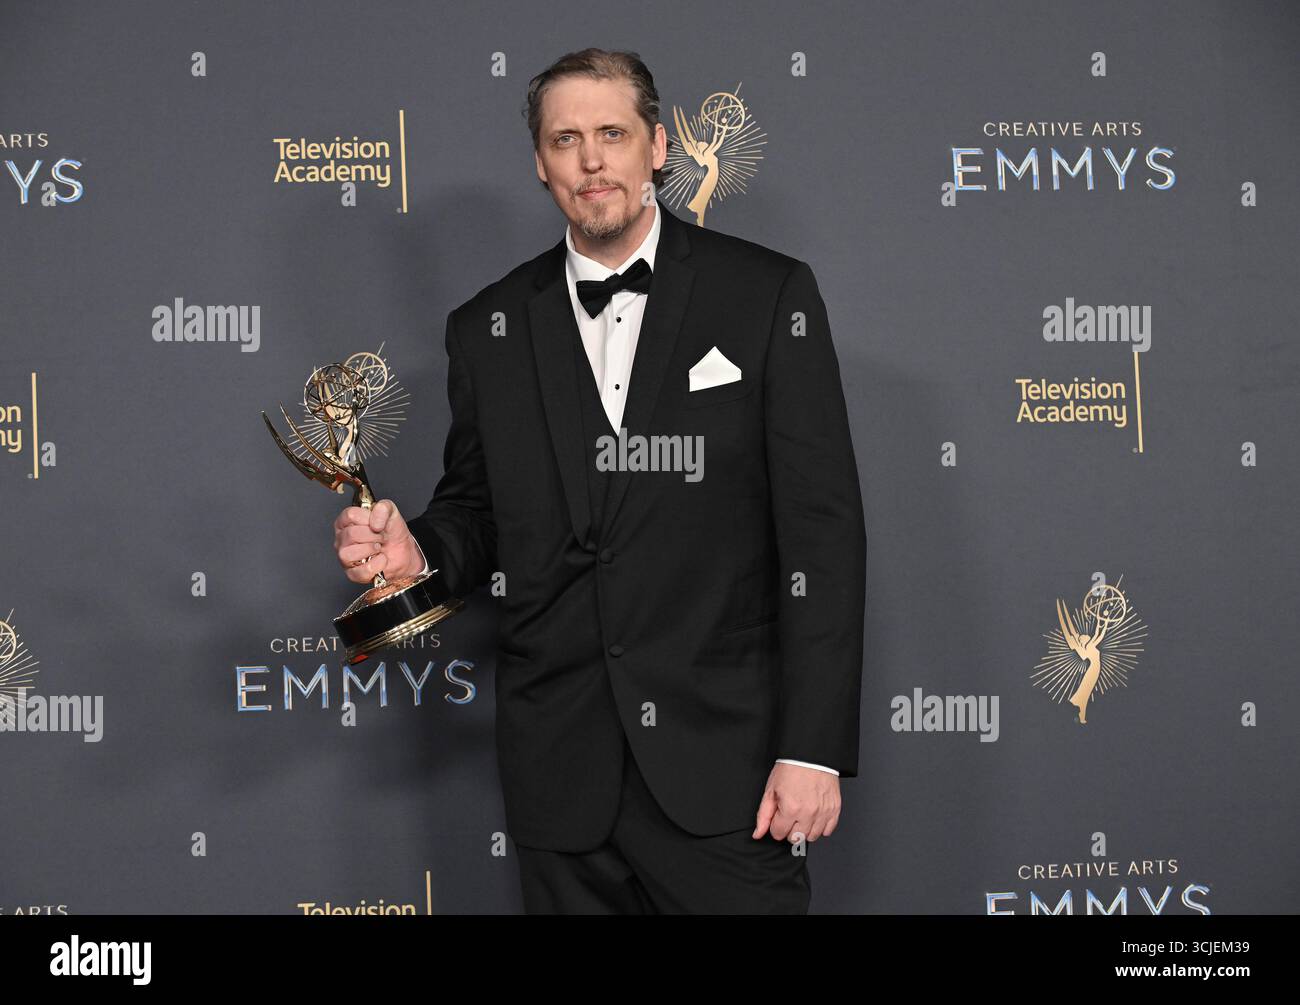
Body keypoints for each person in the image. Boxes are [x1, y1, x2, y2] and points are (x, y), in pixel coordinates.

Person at [332, 48, 866, 914]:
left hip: (727, 772)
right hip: (560, 774)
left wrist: (812, 749)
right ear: (541, 164)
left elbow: (824, 535)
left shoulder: (767, 295)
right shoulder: (486, 328)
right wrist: (416, 547)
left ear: (658, 146)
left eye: (612, 133)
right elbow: (477, 513)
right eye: (566, 138)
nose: (591, 159)